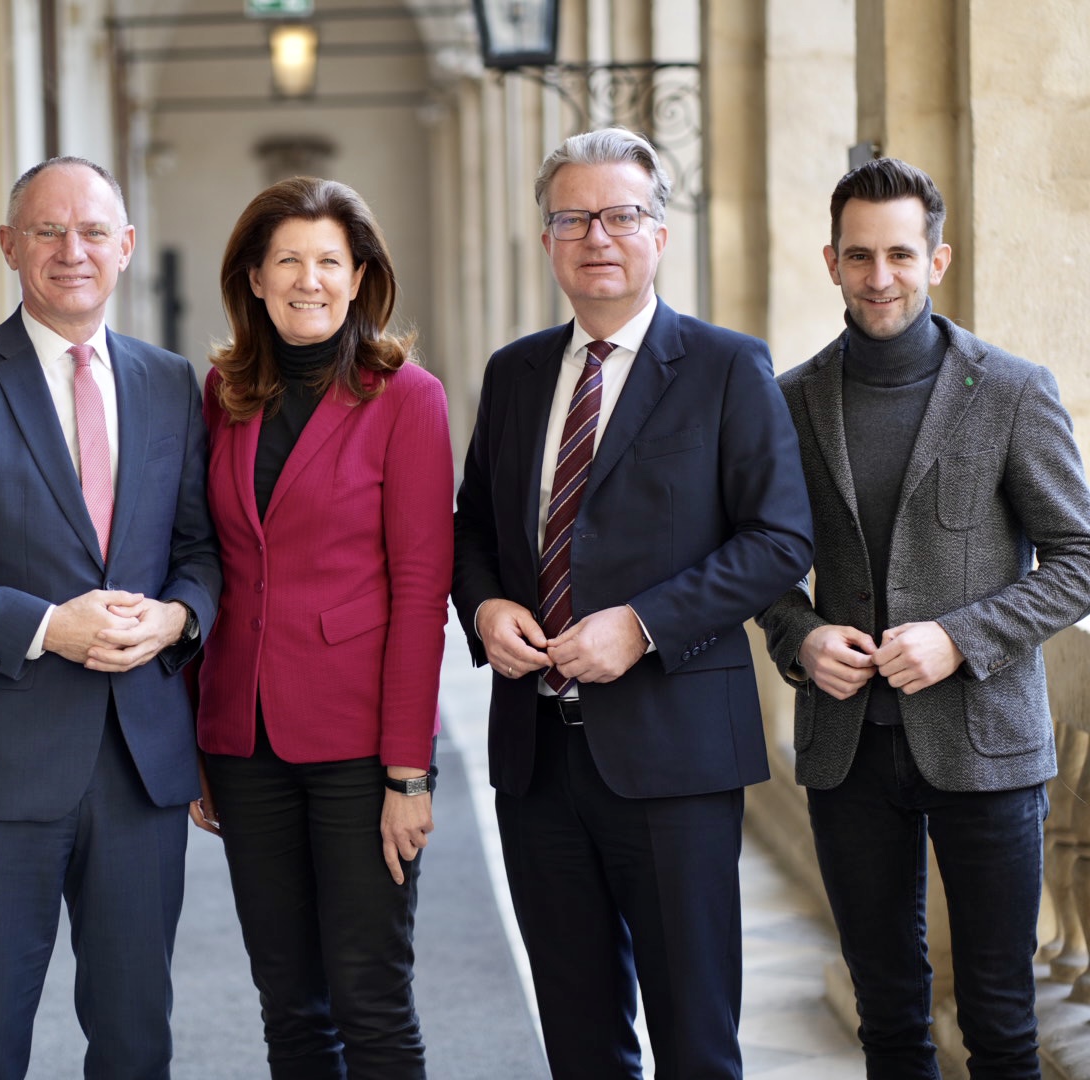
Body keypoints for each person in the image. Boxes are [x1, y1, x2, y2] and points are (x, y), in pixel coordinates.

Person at [451, 126, 813, 1077]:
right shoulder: (515, 372)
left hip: (675, 754)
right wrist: (486, 612)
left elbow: (779, 539)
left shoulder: (727, 366)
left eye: (620, 215)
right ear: (547, 240)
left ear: (659, 233)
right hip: (536, 754)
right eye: (572, 217)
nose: (595, 236)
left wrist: (643, 627)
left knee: (695, 1037)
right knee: (580, 1038)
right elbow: (472, 530)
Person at [0, 156, 220, 1079]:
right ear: (9, 246)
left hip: (139, 763)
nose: (73, 251)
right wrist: (43, 626)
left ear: (126, 248)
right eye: (50, 231)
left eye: (94, 232)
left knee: (137, 1034)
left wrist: (178, 619)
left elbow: (202, 550)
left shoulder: (172, 384)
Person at [756, 157, 1090, 1077]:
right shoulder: (787, 401)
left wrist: (959, 637)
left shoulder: (1015, 391)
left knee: (1001, 1022)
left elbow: (1080, 559)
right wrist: (802, 635)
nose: (879, 277)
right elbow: (759, 565)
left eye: (900, 254)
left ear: (937, 260)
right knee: (890, 1020)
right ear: (831, 261)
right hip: (846, 749)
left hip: (987, 748)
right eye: (859, 256)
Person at [191, 177, 453, 1078]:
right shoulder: (224, 392)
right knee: (290, 1006)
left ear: (360, 276)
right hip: (244, 740)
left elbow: (422, 591)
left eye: (329, 262)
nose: (310, 280)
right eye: (288, 261)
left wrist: (409, 770)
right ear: (255, 280)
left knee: (370, 998)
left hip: (357, 747)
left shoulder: (407, 398)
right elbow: (211, 563)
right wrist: (200, 742)